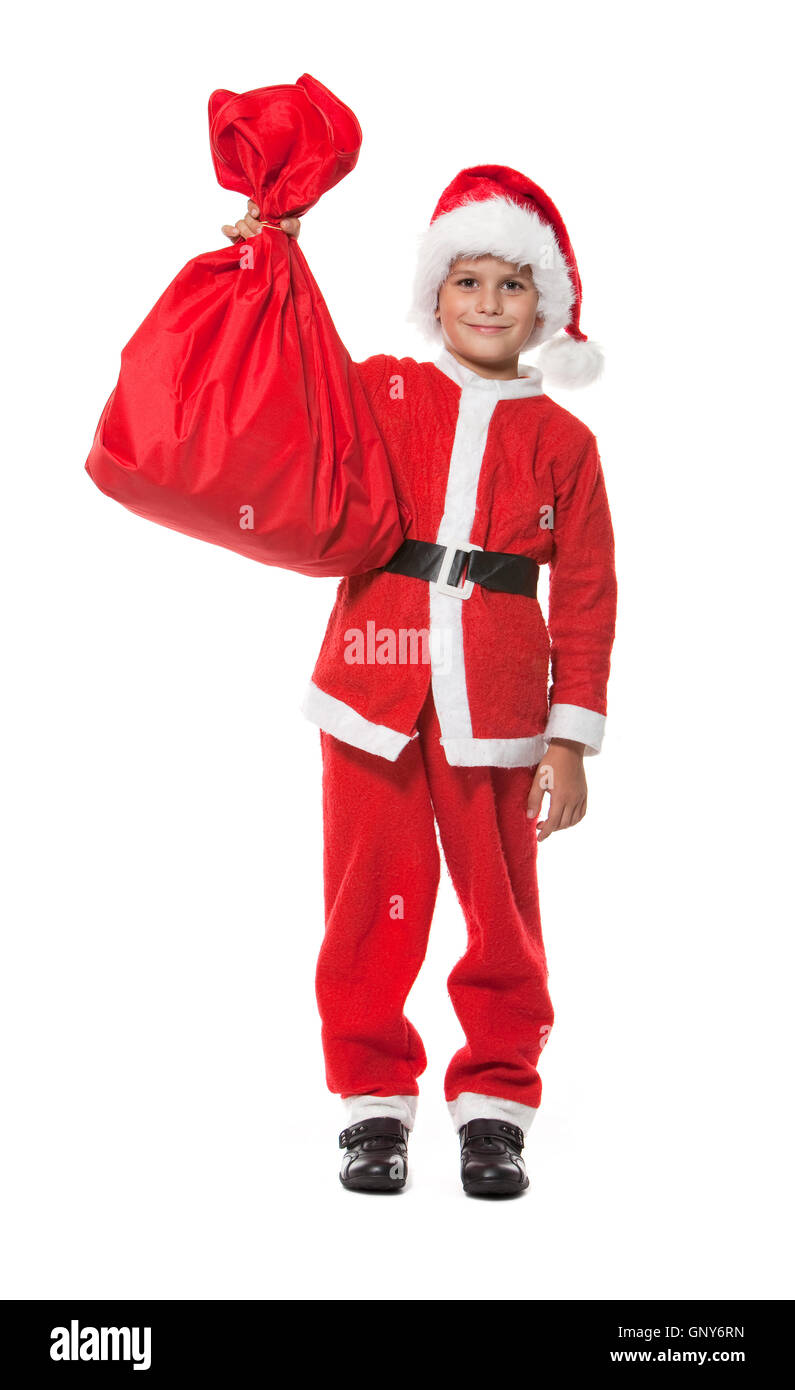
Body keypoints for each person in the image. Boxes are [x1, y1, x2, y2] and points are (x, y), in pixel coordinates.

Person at [223, 165, 617, 1198]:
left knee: (502, 909)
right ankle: (373, 1104)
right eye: (468, 281)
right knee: (368, 902)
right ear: (435, 292)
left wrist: (570, 739)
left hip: (495, 706)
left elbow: (585, 593)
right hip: (371, 691)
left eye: (512, 285)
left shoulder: (566, 445)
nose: (488, 304)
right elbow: (294, 377)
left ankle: (495, 1101)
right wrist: (275, 254)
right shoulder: (382, 390)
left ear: (547, 306)